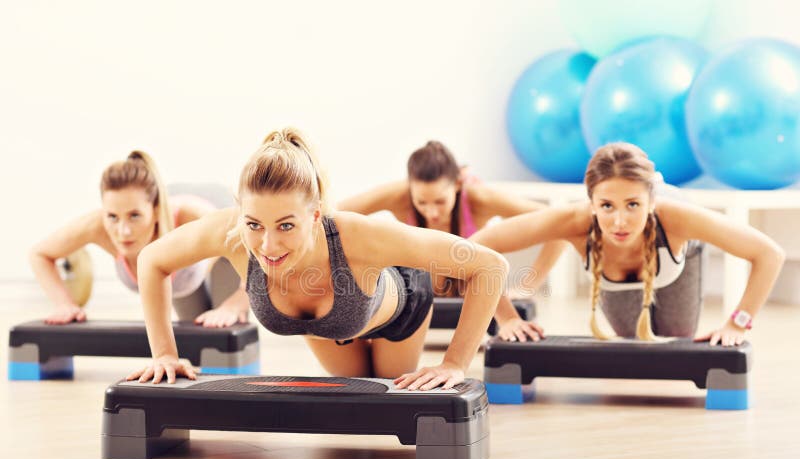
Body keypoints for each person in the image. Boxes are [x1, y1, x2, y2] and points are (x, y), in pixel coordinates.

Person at [126, 128, 508, 388]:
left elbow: (490, 266)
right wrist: (164, 353)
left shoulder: (359, 236)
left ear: (313, 216)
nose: (268, 245)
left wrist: (455, 363)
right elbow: (152, 261)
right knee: (354, 401)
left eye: (286, 226)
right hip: (329, 325)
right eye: (254, 224)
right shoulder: (230, 232)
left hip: (399, 308)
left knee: (387, 390)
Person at [470, 142, 785, 346]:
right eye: (607, 206)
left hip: (676, 253)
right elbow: (475, 247)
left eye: (632, 205)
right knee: (633, 341)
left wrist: (738, 325)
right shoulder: (573, 221)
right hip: (612, 266)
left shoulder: (676, 217)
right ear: (592, 203)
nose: (620, 222)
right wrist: (506, 317)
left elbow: (769, 254)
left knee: (675, 340)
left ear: (650, 201)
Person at [29, 151, 249, 327]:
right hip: (181, 270)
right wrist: (64, 304)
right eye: (113, 217)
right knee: (196, 331)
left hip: (224, 231)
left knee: (225, 325)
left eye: (134, 216)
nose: (123, 231)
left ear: (154, 212)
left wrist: (234, 305)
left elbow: (262, 254)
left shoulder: (191, 219)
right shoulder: (98, 225)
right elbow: (40, 254)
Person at [338, 140, 566, 296]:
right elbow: (335, 216)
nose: (432, 213)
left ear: (457, 185)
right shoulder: (400, 195)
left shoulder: (480, 199)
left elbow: (560, 224)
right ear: (410, 189)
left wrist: (529, 286)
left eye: (440, 201)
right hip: (420, 286)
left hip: (468, 286)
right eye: (422, 202)